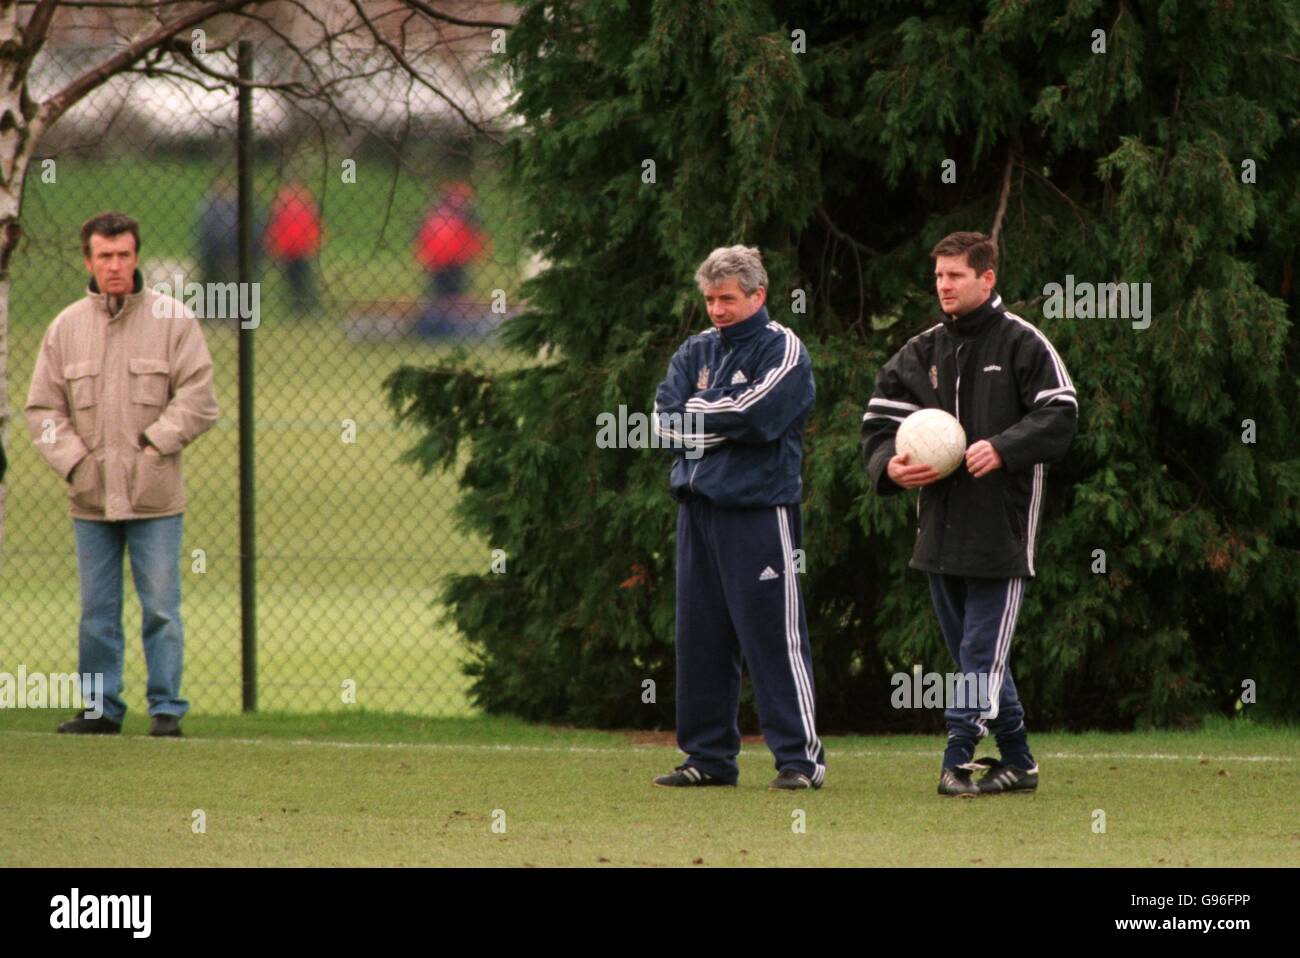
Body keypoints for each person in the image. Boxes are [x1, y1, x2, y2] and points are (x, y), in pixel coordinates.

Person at [860, 231, 1077, 796]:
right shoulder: (921, 350)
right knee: (975, 658)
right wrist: (889, 467)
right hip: (939, 531)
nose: (944, 286)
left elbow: (1060, 413)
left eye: (955, 275)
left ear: (987, 278)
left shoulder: (1024, 345)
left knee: (980, 655)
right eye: (938, 276)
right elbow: (879, 423)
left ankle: (956, 760)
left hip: (1000, 534)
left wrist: (1003, 446)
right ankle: (1020, 762)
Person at [25, 211, 220, 737]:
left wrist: (157, 443)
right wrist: (74, 462)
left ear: (137, 257)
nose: (115, 265)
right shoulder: (64, 328)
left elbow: (200, 401)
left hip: (155, 498)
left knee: (160, 609)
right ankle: (100, 710)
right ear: (88, 260)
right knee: (96, 614)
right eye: (105, 256)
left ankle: (166, 710)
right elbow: (41, 412)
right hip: (89, 500)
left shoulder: (175, 321)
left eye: (124, 255)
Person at [650, 245, 826, 790]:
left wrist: (701, 412)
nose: (717, 310)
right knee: (700, 637)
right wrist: (719, 413)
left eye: (727, 299)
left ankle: (799, 761)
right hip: (697, 513)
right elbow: (662, 421)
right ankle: (708, 759)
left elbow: (760, 416)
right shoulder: (694, 351)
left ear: (758, 295)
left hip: (758, 513)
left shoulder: (784, 351)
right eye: (709, 299)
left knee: (773, 637)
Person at [413, 181, 488, 339]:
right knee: (445, 296)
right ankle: (443, 328)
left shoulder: (459, 217)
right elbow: (422, 237)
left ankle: (449, 327)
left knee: (450, 296)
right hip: (441, 262)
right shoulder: (440, 217)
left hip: (453, 261)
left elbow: (475, 237)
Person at [264, 180, 321, 314]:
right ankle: (298, 306)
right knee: (294, 280)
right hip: (289, 250)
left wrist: (314, 243)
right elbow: (275, 227)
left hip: (300, 249)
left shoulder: (301, 203)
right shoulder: (284, 204)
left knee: (304, 279)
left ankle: (307, 306)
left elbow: (313, 225)